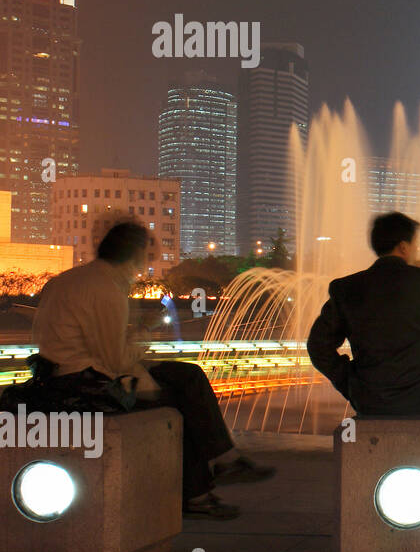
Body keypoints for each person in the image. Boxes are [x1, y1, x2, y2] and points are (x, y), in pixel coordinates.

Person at [9, 222, 273, 520]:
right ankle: (206, 482)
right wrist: (144, 337)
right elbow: (117, 360)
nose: (145, 264)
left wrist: (136, 339)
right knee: (180, 399)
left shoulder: (71, 279)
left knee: (186, 377)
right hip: (85, 386)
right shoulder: (107, 289)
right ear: (133, 256)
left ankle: (217, 469)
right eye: (146, 256)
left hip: (56, 379)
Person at [307, 212, 420, 416]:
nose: (416, 251)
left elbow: (318, 346)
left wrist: (350, 382)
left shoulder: (346, 288)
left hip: (369, 401)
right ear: (404, 247)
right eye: (415, 245)